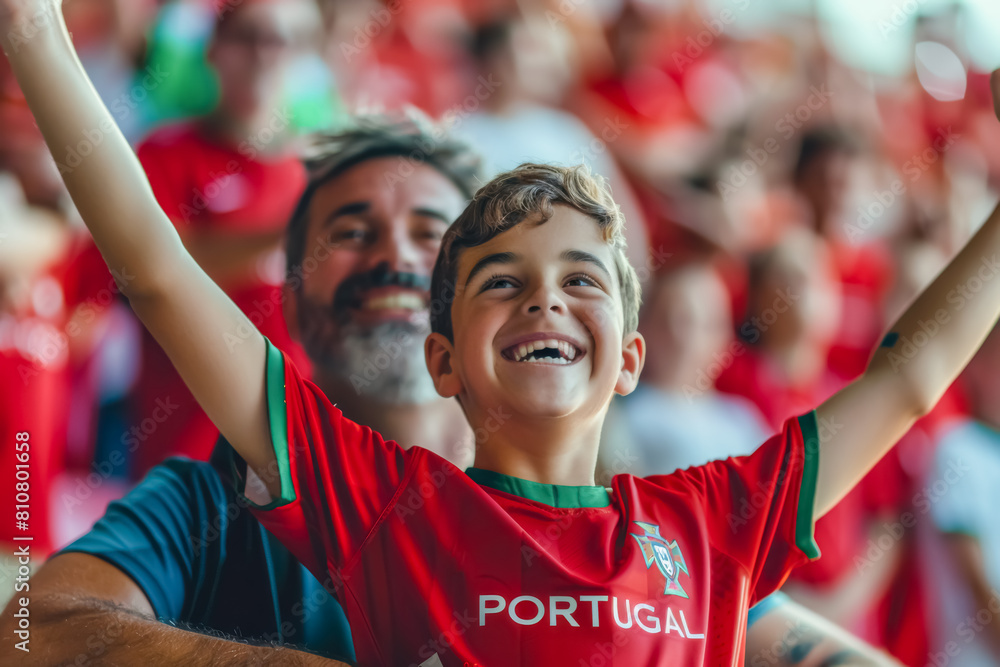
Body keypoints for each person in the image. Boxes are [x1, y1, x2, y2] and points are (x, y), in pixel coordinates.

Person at [8, 1, 999, 662]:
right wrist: (37, 36)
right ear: (444, 355)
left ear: (631, 359)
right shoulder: (379, 502)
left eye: (580, 279)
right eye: (497, 278)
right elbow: (159, 269)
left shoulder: (707, 522)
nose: (544, 299)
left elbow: (908, 377)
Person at [0, 117, 480, 665]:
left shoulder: (571, 512)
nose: (394, 258)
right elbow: (24, 638)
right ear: (290, 302)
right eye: (352, 233)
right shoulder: (203, 505)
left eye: (431, 234)